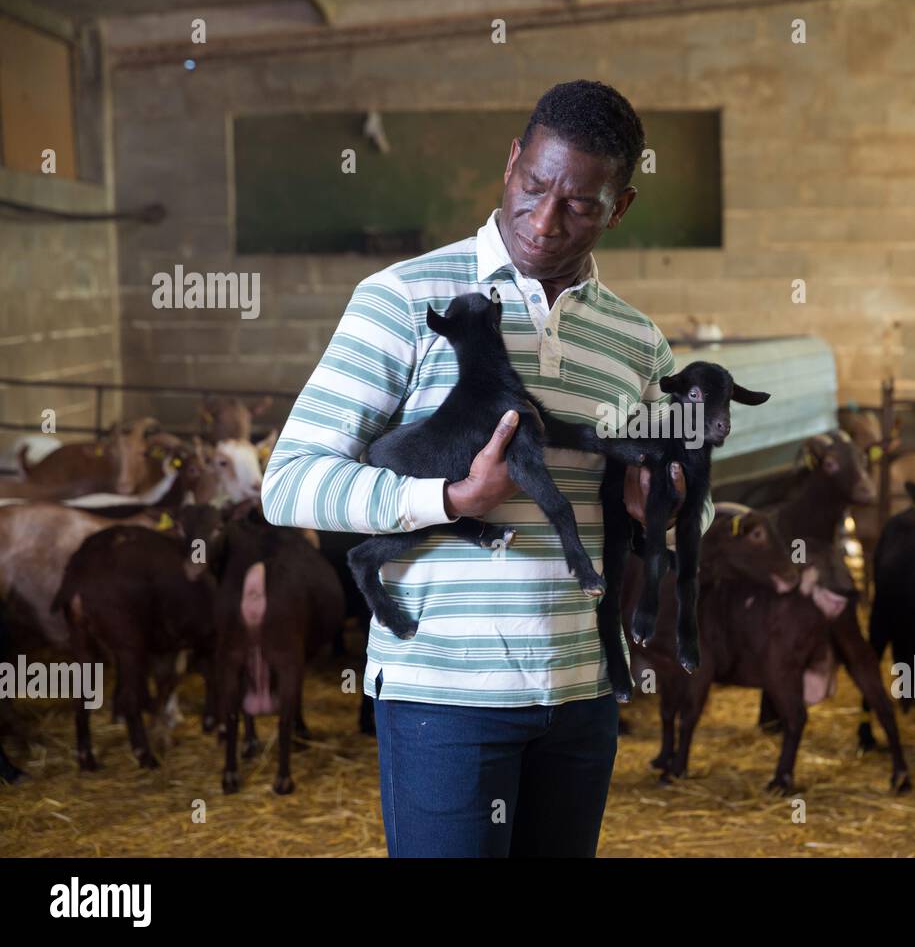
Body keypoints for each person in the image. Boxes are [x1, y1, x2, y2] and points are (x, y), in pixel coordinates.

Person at [261, 79, 715, 856]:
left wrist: (660, 503)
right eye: (534, 185)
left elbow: (691, 507)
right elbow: (290, 480)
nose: (544, 219)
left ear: (622, 207)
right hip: (444, 698)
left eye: (579, 205)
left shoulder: (636, 342)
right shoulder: (402, 298)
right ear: (512, 162)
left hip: (582, 695)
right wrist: (448, 496)